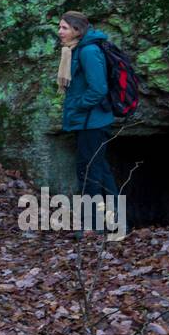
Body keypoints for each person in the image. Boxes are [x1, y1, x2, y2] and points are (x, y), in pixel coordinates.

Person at [57, 11, 118, 210]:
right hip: (88, 121)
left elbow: (98, 89)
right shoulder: (73, 50)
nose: (60, 32)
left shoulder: (88, 51)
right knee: (99, 170)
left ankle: (93, 223)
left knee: (89, 172)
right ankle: (116, 219)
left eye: (64, 28)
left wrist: (78, 105)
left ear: (77, 30)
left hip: (93, 122)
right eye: (60, 27)